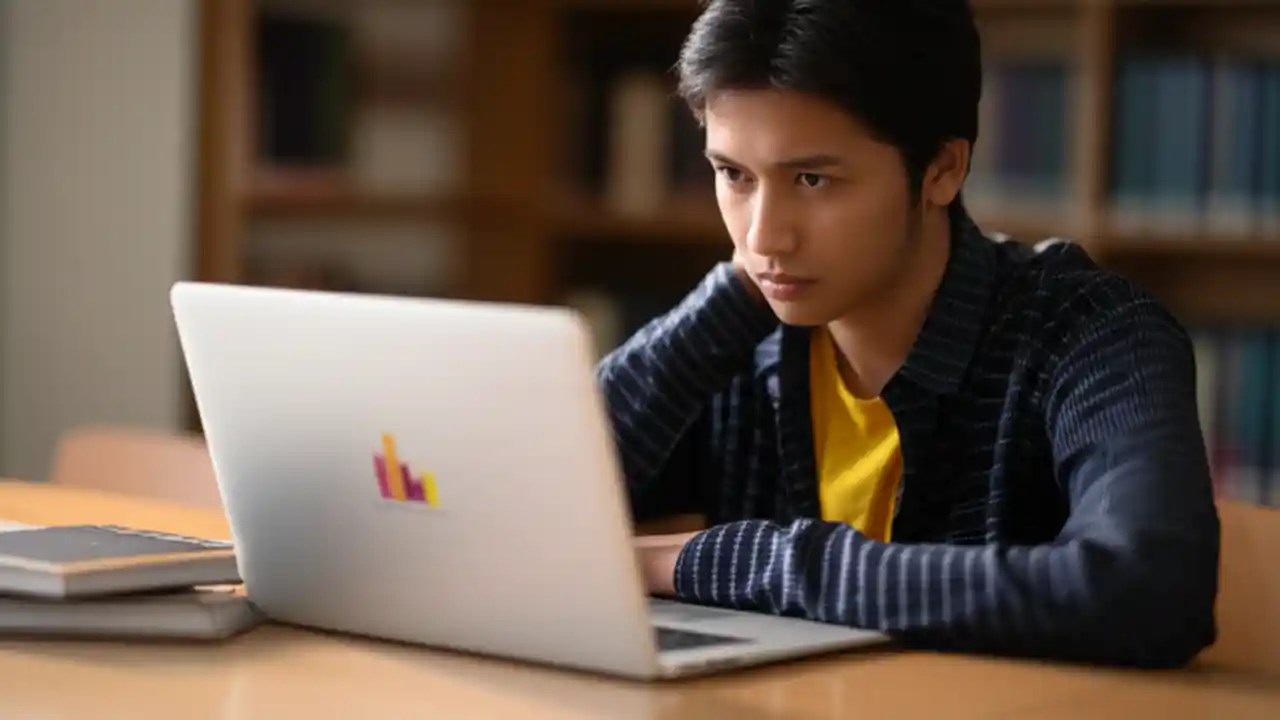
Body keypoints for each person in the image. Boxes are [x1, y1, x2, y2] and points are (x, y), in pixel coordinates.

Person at [602, 0, 1219, 668]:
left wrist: (719, 561)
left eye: (812, 179)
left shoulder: (1092, 333)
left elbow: (1148, 592)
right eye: (733, 175)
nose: (762, 236)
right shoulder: (740, 345)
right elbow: (500, 512)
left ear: (943, 170)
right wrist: (723, 304)